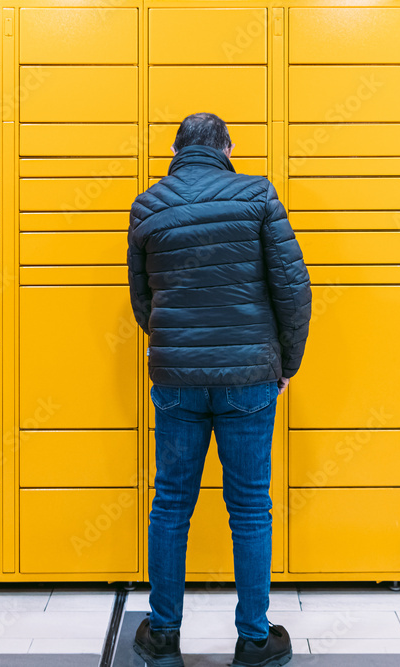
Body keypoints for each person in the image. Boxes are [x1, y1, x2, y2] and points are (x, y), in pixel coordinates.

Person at [126, 112, 311, 667]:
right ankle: (254, 638)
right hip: (249, 378)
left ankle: (163, 635)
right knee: (250, 507)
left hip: (178, 382)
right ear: (227, 147)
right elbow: (294, 291)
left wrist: (177, 352)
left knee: (171, 506)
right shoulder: (257, 195)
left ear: (176, 151)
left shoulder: (148, 206)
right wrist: (286, 364)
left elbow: (143, 300)